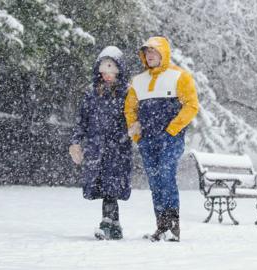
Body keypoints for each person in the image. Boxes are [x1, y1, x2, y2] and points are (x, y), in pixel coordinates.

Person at [124, 37, 199, 242]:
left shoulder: (179, 77)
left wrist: (172, 130)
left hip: (170, 139)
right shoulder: (138, 81)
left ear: (163, 53)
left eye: (154, 52)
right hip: (147, 140)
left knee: (166, 176)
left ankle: (173, 227)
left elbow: (191, 105)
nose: (150, 55)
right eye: (147, 52)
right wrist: (137, 133)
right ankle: (161, 226)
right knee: (155, 182)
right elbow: (129, 109)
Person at [69, 46, 132, 240]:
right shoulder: (91, 94)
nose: (107, 74)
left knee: (111, 185)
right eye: (103, 70)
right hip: (96, 148)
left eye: (111, 70)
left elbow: (133, 117)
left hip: (118, 147)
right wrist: (76, 142)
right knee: (104, 186)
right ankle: (114, 224)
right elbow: (82, 121)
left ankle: (107, 223)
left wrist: (131, 132)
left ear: (119, 70)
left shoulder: (127, 94)